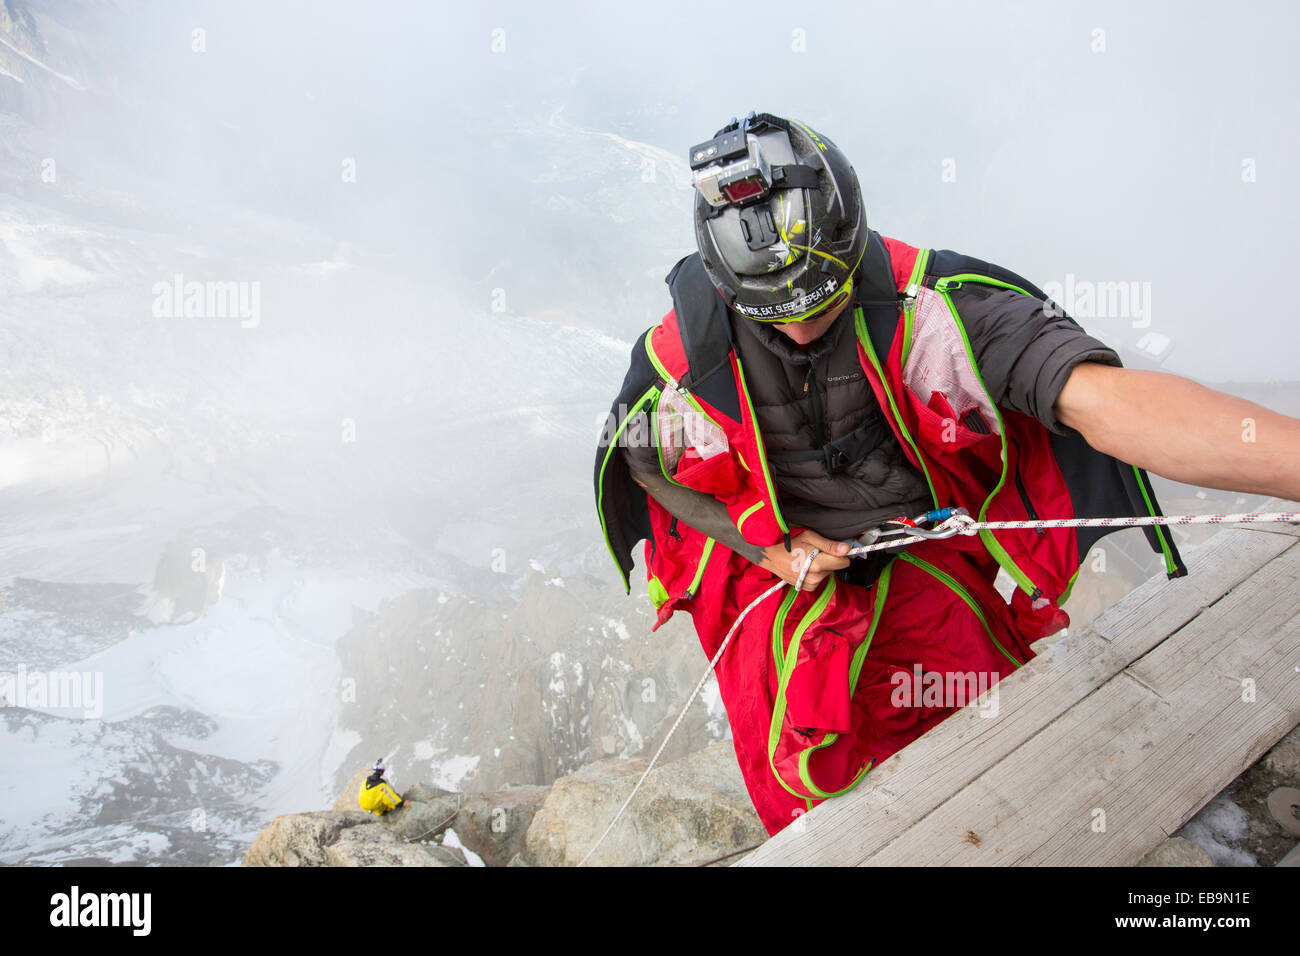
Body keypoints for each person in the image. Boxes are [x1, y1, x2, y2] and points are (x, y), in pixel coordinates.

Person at [593, 111, 1300, 835]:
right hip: (781, 580)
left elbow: (1105, 403)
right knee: (803, 771)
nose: (803, 330)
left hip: (914, 558)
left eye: (823, 302)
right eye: (776, 318)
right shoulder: (684, 362)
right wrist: (765, 545)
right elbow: (643, 465)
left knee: (992, 730)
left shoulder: (931, 309)